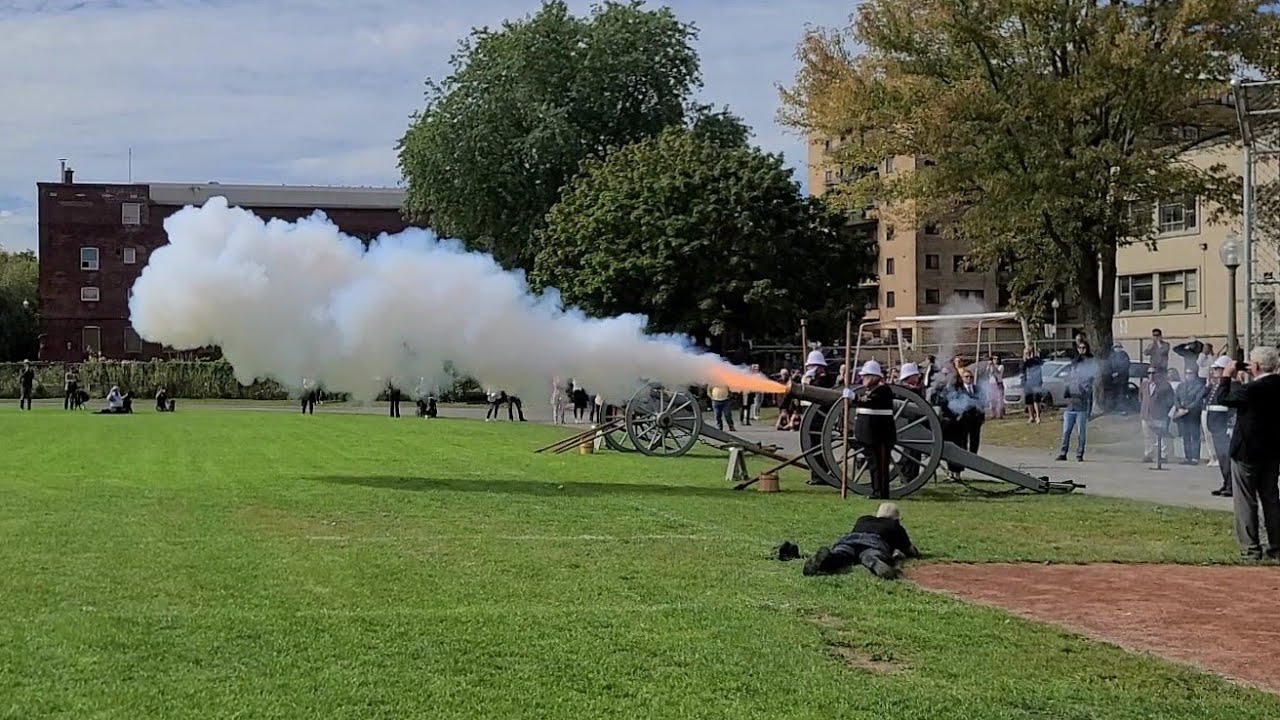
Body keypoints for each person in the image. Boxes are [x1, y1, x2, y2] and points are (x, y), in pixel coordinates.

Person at [1220, 347, 1280, 561]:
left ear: (1254, 366)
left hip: (1247, 451)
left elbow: (1223, 399)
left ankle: (1251, 549)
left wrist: (1227, 375)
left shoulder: (1253, 389)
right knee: (1271, 499)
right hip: (1273, 451)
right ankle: (1276, 547)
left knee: (1245, 501)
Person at [802, 502, 920, 580]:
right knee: (872, 553)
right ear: (897, 519)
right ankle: (872, 560)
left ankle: (829, 557)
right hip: (874, 542)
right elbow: (910, 550)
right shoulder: (895, 526)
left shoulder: (863, 519)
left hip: (850, 539)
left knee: (842, 555)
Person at [851, 360, 897, 500]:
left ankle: (881, 492)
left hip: (879, 435)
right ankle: (876, 490)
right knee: (873, 464)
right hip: (869, 435)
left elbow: (870, 402)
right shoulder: (871, 390)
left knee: (880, 465)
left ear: (875, 377)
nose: (863, 378)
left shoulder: (883, 390)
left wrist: (854, 397)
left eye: (866, 376)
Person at [939, 367, 984, 479]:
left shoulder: (956, 389)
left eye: (948, 374)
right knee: (950, 449)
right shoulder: (942, 390)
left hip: (958, 423)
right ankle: (951, 473)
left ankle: (957, 473)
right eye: (944, 374)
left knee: (961, 446)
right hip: (947, 423)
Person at [1056, 339, 1095, 462]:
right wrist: (1068, 384)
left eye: (1084, 348)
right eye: (1079, 348)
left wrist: (1080, 384)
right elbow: (1067, 381)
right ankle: (1063, 453)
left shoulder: (1089, 363)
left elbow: (1088, 389)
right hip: (1070, 405)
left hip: (1081, 405)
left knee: (1080, 433)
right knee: (1066, 431)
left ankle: (1080, 453)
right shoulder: (1074, 362)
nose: (1081, 350)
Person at [1205, 356, 1235, 496]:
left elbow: (1232, 408)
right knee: (1222, 458)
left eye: (1217, 369)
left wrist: (1229, 425)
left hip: (1223, 426)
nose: (1214, 371)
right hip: (1215, 426)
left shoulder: (1231, 385)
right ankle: (1226, 483)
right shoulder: (1216, 385)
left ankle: (1231, 485)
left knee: (1227, 458)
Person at [1139, 365, 1175, 463]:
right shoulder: (1144, 384)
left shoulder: (1165, 386)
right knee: (1148, 436)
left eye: (1153, 373)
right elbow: (1141, 398)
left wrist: (1165, 411)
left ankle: (1163, 455)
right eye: (1149, 373)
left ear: (1158, 374)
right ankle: (1148, 454)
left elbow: (1171, 400)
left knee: (1161, 437)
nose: (1151, 375)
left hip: (1159, 414)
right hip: (1146, 414)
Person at [1171, 368, 1204, 464]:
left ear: (1194, 374)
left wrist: (1187, 409)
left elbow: (1198, 400)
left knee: (1194, 436)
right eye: (1186, 373)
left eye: (1190, 373)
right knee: (1185, 436)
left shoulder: (1199, 386)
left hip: (1193, 414)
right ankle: (1187, 457)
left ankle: (1195, 457)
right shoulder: (1181, 386)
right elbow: (1176, 398)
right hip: (1182, 414)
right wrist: (1179, 407)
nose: (1188, 375)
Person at [1021, 346, 1045, 424]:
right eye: (1025, 353)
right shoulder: (1024, 363)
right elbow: (1022, 371)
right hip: (1027, 383)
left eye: (1028, 353)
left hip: (1036, 383)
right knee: (1029, 401)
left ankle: (1038, 417)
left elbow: (1039, 363)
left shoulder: (1035, 360)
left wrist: (1031, 358)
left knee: (1036, 400)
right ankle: (1031, 417)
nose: (1027, 355)